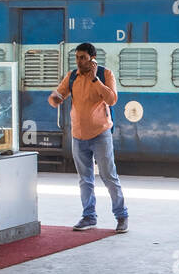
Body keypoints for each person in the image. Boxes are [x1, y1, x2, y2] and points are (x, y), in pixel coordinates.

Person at [49, 42, 128, 233]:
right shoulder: (72, 76)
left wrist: (95, 80)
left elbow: (112, 99)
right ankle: (89, 216)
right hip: (78, 135)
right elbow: (56, 96)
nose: (78, 61)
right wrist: (55, 99)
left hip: (100, 134)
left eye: (82, 57)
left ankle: (121, 216)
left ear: (92, 59)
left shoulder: (105, 74)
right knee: (85, 179)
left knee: (109, 176)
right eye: (77, 57)